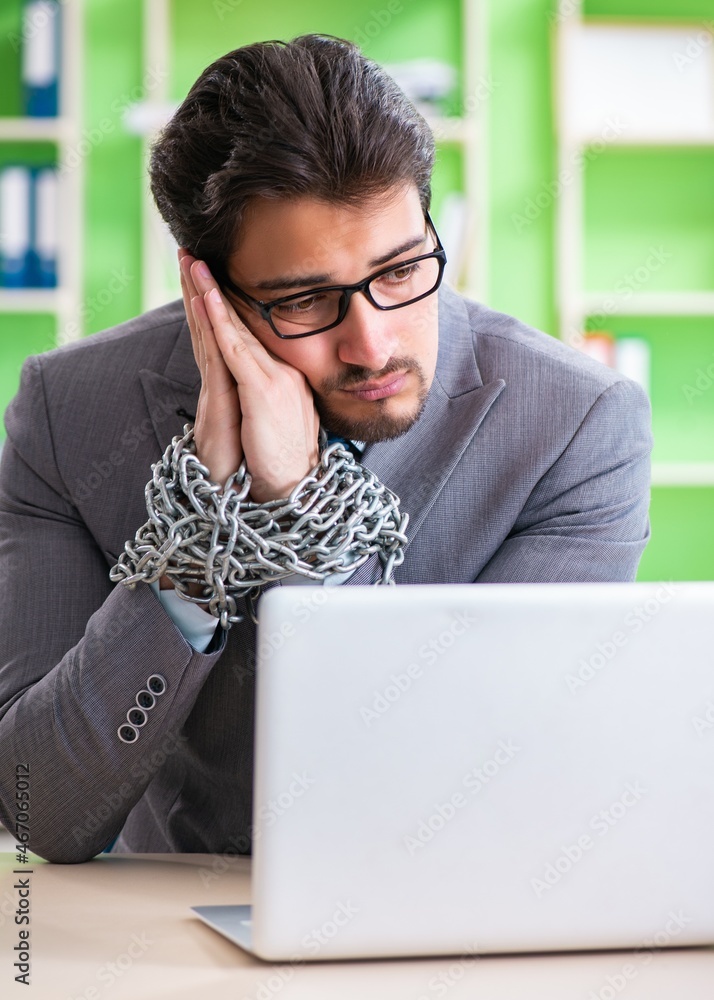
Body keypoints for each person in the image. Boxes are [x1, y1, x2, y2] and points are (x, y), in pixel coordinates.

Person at [0, 35, 652, 864]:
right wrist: (202, 543)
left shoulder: (578, 426)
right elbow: (41, 811)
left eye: (402, 268)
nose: (373, 343)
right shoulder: (68, 413)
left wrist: (303, 504)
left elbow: (458, 791)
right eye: (306, 299)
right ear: (211, 295)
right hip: (165, 945)